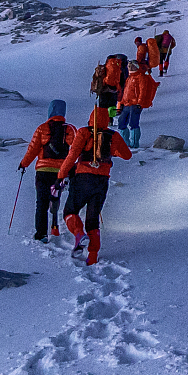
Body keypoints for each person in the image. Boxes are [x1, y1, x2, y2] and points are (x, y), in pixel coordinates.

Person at [60, 106, 130, 264]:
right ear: (106, 119)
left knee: (70, 211)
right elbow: (127, 155)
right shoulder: (114, 135)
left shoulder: (84, 132)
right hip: (102, 181)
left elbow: (73, 155)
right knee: (93, 219)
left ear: (91, 118)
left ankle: (78, 233)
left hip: (83, 177)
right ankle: (92, 256)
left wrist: (61, 174)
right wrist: (112, 152)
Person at [17, 100, 72, 240]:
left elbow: (32, 149)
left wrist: (24, 164)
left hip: (43, 170)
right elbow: (77, 148)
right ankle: (55, 227)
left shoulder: (42, 128)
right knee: (55, 198)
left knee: (41, 203)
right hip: (60, 172)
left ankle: (41, 234)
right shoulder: (69, 129)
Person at [117, 61, 158, 148]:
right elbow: (125, 92)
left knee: (133, 123)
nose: (130, 68)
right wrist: (122, 103)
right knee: (121, 122)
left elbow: (143, 91)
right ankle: (125, 143)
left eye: (133, 66)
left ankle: (134, 144)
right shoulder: (129, 77)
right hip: (127, 103)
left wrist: (140, 102)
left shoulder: (141, 77)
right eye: (129, 66)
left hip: (135, 104)